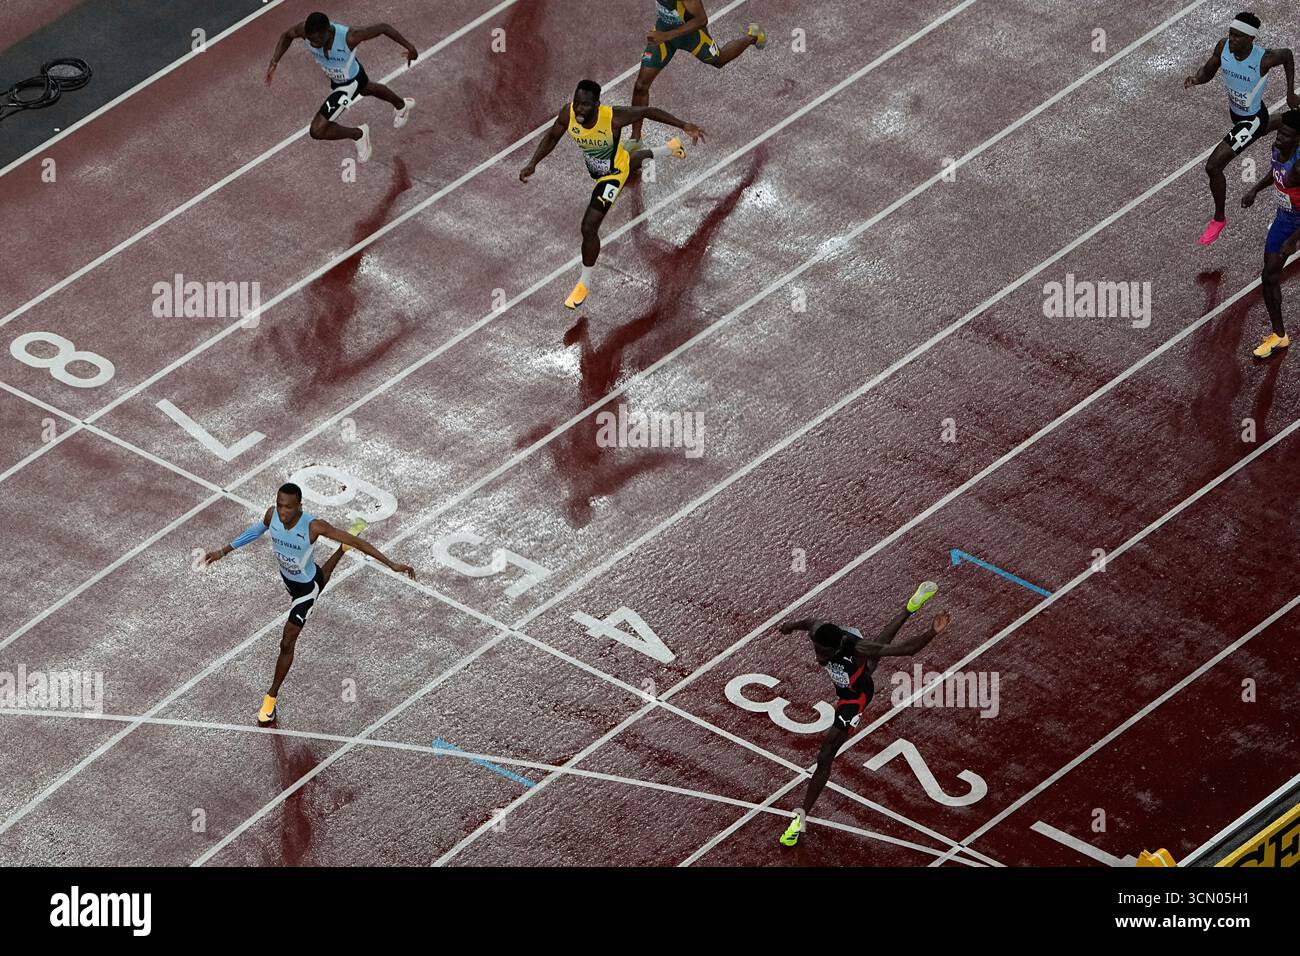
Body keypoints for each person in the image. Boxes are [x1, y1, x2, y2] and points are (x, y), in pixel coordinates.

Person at [203, 482, 415, 725]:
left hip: (305, 588)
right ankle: (340, 552)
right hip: (291, 580)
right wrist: (224, 550)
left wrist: (391, 564)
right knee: (319, 578)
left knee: (288, 639)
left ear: (300, 507)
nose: (283, 512)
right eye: (280, 505)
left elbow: (360, 544)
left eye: (289, 508)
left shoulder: (314, 526)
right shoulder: (272, 515)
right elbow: (256, 530)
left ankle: (270, 699)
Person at [775, 582, 948, 847]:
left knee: (825, 754)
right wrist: (789, 626)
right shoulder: (818, 630)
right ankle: (910, 606)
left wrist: (931, 633)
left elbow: (906, 650)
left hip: (854, 697)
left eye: (823, 654)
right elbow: (808, 620)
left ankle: (801, 818)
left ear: (835, 649)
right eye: (816, 650)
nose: (818, 658)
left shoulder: (853, 648)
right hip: (852, 672)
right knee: (873, 654)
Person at [519, 78, 704, 309]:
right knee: (628, 160)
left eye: (586, 105)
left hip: (611, 176)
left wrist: (683, 124)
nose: (579, 109)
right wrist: (533, 162)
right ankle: (669, 148)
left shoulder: (613, 117)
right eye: (577, 103)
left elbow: (648, 111)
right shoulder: (568, 114)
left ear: (597, 103)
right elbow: (552, 137)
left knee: (589, 226)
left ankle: (583, 283)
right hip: (610, 165)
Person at [1184, 12, 1297, 245]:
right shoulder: (1223, 47)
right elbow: (1208, 70)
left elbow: (1287, 55)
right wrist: (1196, 79)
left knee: (1213, 166)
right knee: (1271, 123)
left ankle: (1219, 219)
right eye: (1230, 34)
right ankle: (1292, 119)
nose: (1231, 39)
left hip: (1251, 120)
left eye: (1237, 36)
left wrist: (1290, 92)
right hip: (1237, 114)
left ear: (1250, 39)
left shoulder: (1264, 59)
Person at [266, 11, 418, 162]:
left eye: (316, 40)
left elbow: (383, 28)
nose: (312, 44)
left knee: (317, 130)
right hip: (347, 75)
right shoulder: (305, 31)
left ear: (328, 31)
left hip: (349, 84)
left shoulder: (350, 37)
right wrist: (274, 61)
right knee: (367, 88)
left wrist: (411, 48)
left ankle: (359, 134)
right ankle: (401, 105)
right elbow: (286, 35)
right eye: (309, 39)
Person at [630, 2, 765, 144]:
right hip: (663, 33)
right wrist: (664, 35)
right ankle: (636, 138)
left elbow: (701, 20)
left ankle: (753, 36)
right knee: (641, 85)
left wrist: (666, 36)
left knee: (719, 60)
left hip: (691, 36)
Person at [1241, 109, 1300, 357]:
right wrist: (1256, 189)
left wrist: (1293, 240)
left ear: (1297, 139)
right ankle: (1279, 335)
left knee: (1270, 276)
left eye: (1285, 135)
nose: (1278, 138)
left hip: (1295, 223)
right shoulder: (1277, 151)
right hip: (1283, 220)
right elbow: (1274, 173)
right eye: (1279, 133)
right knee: (1269, 276)